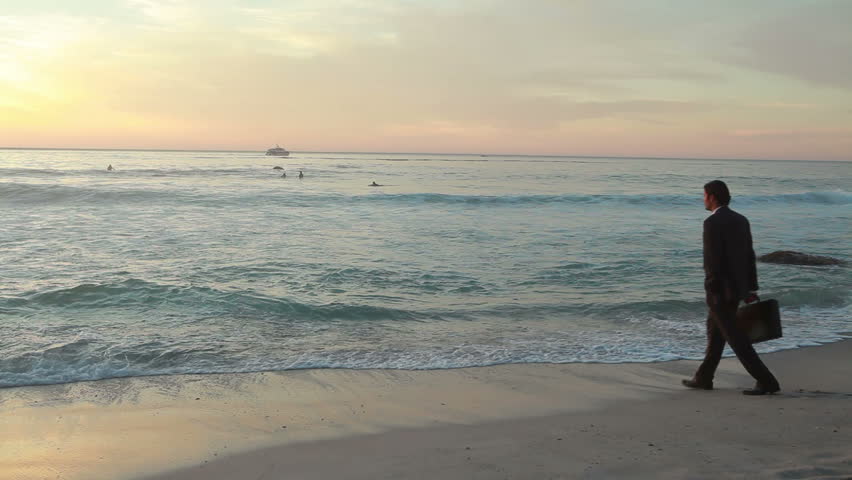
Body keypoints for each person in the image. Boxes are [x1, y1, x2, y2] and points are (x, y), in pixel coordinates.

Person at [682, 180, 780, 395]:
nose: (703, 199)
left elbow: (713, 261)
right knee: (715, 334)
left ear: (713, 196)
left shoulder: (712, 223)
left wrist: (711, 288)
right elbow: (749, 256)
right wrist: (751, 288)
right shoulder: (741, 220)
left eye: (705, 195)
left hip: (720, 292)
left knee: (736, 338)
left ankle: (767, 381)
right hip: (738, 289)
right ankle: (703, 378)